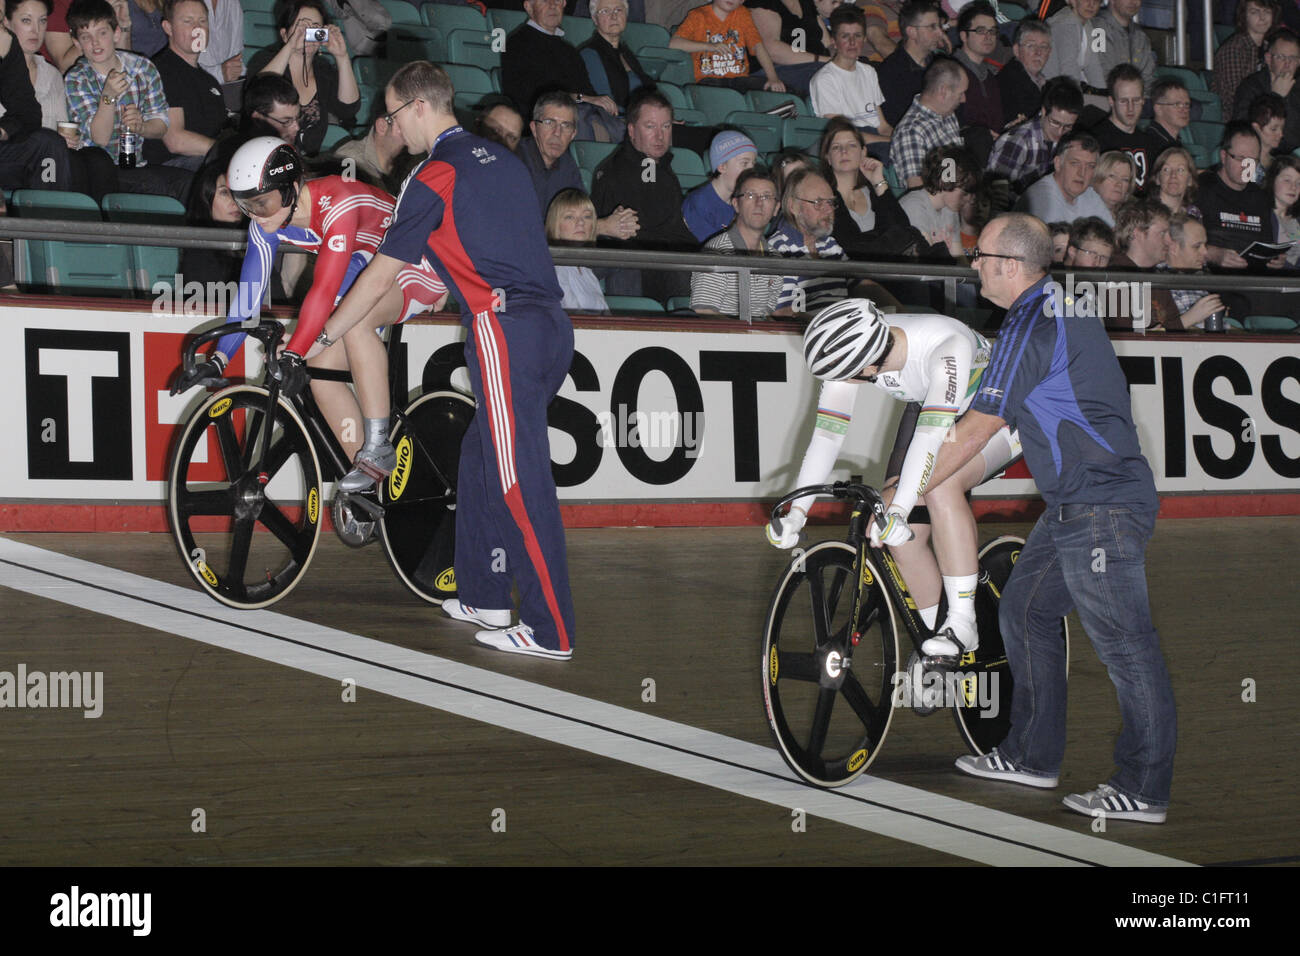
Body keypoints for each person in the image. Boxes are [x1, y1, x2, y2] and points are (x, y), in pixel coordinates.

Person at [309, 61, 577, 661]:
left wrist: (326, 331)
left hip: (502, 330)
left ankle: (549, 629)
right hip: (549, 327)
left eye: (393, 114)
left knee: (519, 481)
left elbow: (382, 273)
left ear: (419, 107)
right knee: (481, 461)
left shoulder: (433, 173)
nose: (391, 126)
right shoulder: (503, 158)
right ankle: (484, 594)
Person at [922, 212, 1176, 824]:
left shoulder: (1031, 323)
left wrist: (906, 490)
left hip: (1098, 507)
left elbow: (975, 430)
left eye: (980, 256)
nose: (973, 265)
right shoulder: (1058, 307)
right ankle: (1030, 756)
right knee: (1026, 609)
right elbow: (1009, 426)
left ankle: (1143, 787)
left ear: (1011, 266)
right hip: (1082, 503)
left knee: (1126, 647)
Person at [172, 137, 449, 494]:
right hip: (366, 267)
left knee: (354, 324)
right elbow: (249, 298)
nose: (255, 214)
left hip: (417, 263)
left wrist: (296, 350)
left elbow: (325, 289)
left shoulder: (339, 201)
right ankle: (368, 488)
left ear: (291, 189)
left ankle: (379, 444)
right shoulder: (267, 219)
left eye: (262, 202)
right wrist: (219, 359)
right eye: (246, 205)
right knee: (319, 373)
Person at [771, 298, 1021, 663]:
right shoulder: (863, 341)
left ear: (870, 366)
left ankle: (962, 621)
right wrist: (797, 513)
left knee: (937, 486)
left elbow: (929, 443)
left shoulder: (945, 346)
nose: (838, 384)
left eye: (844, 376)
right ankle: (936, 648)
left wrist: (900, 508)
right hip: (932, 403)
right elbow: (827, 437)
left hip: (996, 410)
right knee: (896, 536)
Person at [64, 0, 190, 201]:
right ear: (77, 43)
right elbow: (100, 139)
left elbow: (161, 125)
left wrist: (141, 127)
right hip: (92, 171)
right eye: (86, 37)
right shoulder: (77, 78)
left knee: (187, 184)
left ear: (116, 33)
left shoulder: (142, 68)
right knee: (99, 162)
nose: (95, 43)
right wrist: (108, 97)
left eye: (102, 33)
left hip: (133, 165)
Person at [590, 88, 697, 299]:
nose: (659, 136)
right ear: (631, 130)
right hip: (641, 274)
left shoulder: (660, 169)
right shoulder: (616, 173)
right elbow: (633, 238)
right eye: (650, 126)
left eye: (666, 126)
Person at [3, 0, 104, 196]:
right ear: (6, 23)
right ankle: (48, 211)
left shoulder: (52, 75)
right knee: (48, 143)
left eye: (42, 21)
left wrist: (70, 140)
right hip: (11, 155)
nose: (36, 30)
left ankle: (92, 216)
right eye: (26, 21)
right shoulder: (4, 68)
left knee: (96, 159)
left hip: (48, 159)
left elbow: (64, 128)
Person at [249, 0, 359, 157]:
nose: (308, 34)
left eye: (315, 28)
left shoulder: (323, 70)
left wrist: (342, 56)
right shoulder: (264, 60)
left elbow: (348, 109)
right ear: (284, 34)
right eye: (301, 27)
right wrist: (290, 45)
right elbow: (258, 94)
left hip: (307, 161)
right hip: (264, 156)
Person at [690, 164, 783, 319]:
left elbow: (766, 313)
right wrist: (746, 331)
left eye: (767, 197)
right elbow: (705, 312)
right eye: (750, 195)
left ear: (776, 208)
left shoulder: (775, 257)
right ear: (736, 204)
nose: (759, 203)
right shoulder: (717, 252)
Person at [146, 0, 229, 171]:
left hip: (204, 163)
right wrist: (226, 151)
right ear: (168, 28)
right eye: (188, 21)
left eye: (202, 21)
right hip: (170, 169)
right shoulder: (160, 71)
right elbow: (175, 140)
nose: (197, 28)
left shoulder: (209, 81)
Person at [821, 117, 914, 258]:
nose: (844, 151)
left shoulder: (873, 191)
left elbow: (903, 230)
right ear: (828, 157)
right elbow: (847, 246)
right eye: (836, 147)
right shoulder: (823, 198)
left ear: (863, 152)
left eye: (851, 145)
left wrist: (878, 181)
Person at [808, 3, 892, 151]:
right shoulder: (825, 79)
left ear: (864, 39)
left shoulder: (868, 72)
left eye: (857, 36)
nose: (852, 42)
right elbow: (841, 134)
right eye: (845, 36)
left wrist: (899, 138)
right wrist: (887, 141)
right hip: (848, 145)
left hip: (875, 138)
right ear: (834, 41)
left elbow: (883, 126)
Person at [769, 166, 849, 314]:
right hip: (808, 327)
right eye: (818, 203)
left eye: (830, 202)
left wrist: (893, 307)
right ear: (793, 207)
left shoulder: (830, 245)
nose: (828, 210)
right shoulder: (779, 248)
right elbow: (782, 312)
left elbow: (860, 283)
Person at [987, 75, 1082, 196]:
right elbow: (997, 197)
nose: (1060, 132)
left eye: (1067, 126)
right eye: (1055, 123)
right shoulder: (1017, 142)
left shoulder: (1067, 139)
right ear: (1043, 111)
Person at [668, 0, 786, 92]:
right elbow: (674, 44)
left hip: (740, 80)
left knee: (779, 91)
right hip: (708, 80)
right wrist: (709, 46)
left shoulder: (743, 14)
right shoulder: (698, 15)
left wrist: (773, 78)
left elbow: (757, 46)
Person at [889, 55, 967, 189]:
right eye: (961, 94)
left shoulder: (948, 115)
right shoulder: (911, 131)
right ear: (943, 91)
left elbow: (953, 171)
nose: (964, 99)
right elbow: (918, 190)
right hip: (936, 200)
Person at [1015, 130, 1114, 225]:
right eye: (1075, 163)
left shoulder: (1089, 194)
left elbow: (1110, 232)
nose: (1082, 173)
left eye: (1090, 166)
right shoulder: (1042, 198)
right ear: (1058, 164)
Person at [1110, 197, 1180, 329]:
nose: (1170, 241)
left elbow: (1176, 330)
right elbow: (1124, 337)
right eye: (1162, 233)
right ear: (1138, 233)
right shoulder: (1114, 278)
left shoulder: (1157, 278)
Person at [899, 142, 977, 260]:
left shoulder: (949, 209)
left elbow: (958, 256)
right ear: (944, 181)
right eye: (965, 193)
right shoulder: (914, 206)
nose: (969, 199)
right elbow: (928, 260)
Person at [877, 0, 947, 128]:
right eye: (932, 27)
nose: (940, 33)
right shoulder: (891, 72)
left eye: (939, 26)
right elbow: (900, 122)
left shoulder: (941, 66)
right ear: (912, 32)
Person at [1090, 64, 1161, 189]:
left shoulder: (1150, 143)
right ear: (1111, 101)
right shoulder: (1096, 141)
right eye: (1124, 101)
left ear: (1143, 100)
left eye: (1136, 100)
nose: (1130, 108)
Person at [332, 93, 418, 196]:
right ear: (382, 126)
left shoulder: (413, 161)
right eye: (404, 124)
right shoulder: (351, 160)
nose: (413, 131)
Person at [1232, 26, 1300, 153]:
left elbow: (1294, 136)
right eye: (1281, 57)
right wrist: (1276, 97)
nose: (1287, 64)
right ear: (1268, 59)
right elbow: (1245, 132)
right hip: (1261, 154)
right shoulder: (1251, 86)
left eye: (1293, 58)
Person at [747, 0, 837, 94]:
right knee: (830, 78)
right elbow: (771, 49)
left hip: (815, 66)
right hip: (776, 70)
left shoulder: (807, 3)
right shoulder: (764, 3)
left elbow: (827, 45)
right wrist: (822, 60)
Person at [682, 129, 756, 241]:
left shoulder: (741, 200)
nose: (751, 171)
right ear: (722, 166)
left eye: (753, 164)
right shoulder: (698, 203)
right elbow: (712, 247)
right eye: (744, 163)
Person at [579, 0, 652, 112]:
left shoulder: (626, 52)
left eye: (618, 10)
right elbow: (608, 106)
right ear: (595, 19)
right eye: (605, 11)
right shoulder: (589, 55)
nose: (614, 16)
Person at [179, 160, 243, 289]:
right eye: (224, 192)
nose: (235, 201)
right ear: (205, 198)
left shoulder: (256, 238)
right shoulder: (198, 252)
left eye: (238, 193)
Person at [1159, 212, 1229, 328]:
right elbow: (1152, 334)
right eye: (1197, 246)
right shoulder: (1155, 282)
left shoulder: (1199, 275)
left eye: (1205, 245)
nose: (1205, 252)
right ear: (1174, 248)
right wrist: (1192, 317)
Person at [546, 187, 610, 314]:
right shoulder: (555, 267)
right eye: (570, 217)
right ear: (556, 224)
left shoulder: (586, 270)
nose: (580, 222)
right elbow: (572, 316)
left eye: (587, 216)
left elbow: (607, 316)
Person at [1212, 0, 1278, 116]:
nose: (1262, 17)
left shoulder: (1269, 46)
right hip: (1239, 118)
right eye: (1254, 12)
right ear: (1244, 16)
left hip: (1264, 112)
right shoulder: (1234, 50)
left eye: (1267, 11)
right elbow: (1236, 98)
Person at [952, 1, 1003, 144]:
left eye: (992, 31)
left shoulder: (991, 76)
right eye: (980, 31)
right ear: (963, 36)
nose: (988, 36)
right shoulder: (951, 72)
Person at [1042, 0, 1106, 101]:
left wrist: (1105, 97)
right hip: (1053, 94)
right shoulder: (1065, 24)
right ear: (1072, 1)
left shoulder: (1087, 24)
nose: (1091, 4)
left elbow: (1094, 68)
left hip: (1068, 91)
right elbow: (1069, 70)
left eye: (1096, 1)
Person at [997, 17, 1051, 126]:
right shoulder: (1009, 83)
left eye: (1043, 47)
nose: (1038, 52)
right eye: (1031, 46)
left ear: (1049, 52)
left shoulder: (1042, 82)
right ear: (1016, 50)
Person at [1095, 0, 1156, 89]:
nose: (1133, 2)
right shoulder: (1098, 29)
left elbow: (1148, 79)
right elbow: (1100, 75)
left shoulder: (1140, 36)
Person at [1266, 152, 1300, 266]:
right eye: (1287, 180)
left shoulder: (1297, 219)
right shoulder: (1259, 216)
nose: (1293, 187)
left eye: (1299, 183)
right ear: (1272, 180)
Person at [1147, 144, 1200, 217]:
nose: (1173, 175)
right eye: (1166, 169)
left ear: (1190, 180)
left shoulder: (1194, 214)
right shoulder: (1144, 214)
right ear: (1157, 178)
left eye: (1180, 170)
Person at [1146, 77, 1192, 155]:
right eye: (1177, 104)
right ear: (1158, 109)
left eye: (1186, 104)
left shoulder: (1175, 143)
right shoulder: (1148, 144)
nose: (1184, 110)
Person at [1248, 91, 1287, 180]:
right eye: (1273, 129)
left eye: (1282, 128)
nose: (1281, 134)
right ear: (1256, 128)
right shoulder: (1244, 163)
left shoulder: (1279, 164)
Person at [1092, 150, 1137, 219]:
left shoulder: (1134, 215)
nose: (1119, 184)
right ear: (1097, 177)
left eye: (1125, 179)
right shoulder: (1080, 211)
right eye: (1112, 176)